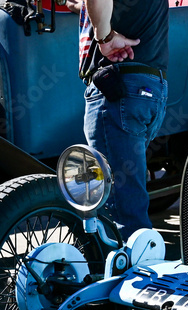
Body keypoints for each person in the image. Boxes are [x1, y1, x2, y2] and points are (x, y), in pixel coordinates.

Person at [75, 0, 168, 239]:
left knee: (119, 212)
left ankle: (135, 259)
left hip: (117, 88)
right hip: (149, 87)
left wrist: (104, 38)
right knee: (127, 192)